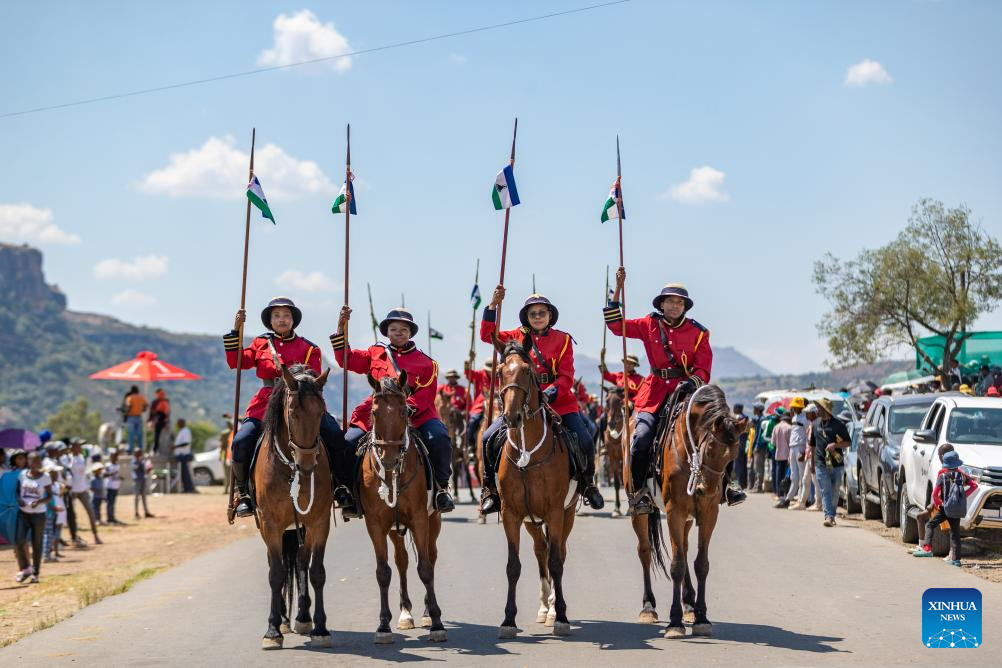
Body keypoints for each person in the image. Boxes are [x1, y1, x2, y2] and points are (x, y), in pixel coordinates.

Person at [603, 269, 725, 514]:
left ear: (685, 306)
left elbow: (703, 367)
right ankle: (639, 493)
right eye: (670, 301)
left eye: (679, 302)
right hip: (655, 392)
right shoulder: (649, 324)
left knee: (720, 429)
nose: (675, 306)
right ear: (661, 304)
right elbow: (616, 326)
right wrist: (618, 289)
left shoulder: (699, 332)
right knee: (640, 438)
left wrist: (692, 382)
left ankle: (728, 486)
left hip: (687, 392)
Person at [225, 297, 355, 518]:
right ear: (270, 321)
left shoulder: (309, 348)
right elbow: (236, 362)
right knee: (241, 441)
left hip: (301, 402)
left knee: (335, 435)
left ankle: (341, 486)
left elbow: (313, 381)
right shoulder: (260, 344)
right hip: (267, 402)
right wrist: (236, 330)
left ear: (293, 320)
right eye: (276, 316)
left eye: (286, 316)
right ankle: (244, 493)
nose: (281, 320)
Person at [478, 288, 604, 512]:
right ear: (526, 317)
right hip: (521, 401)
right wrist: (492, 306)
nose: (537, 317)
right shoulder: (515, 336)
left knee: (584, 438)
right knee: (488, 437)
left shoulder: (563, 340)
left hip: (558, 402)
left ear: (550, 315)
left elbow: (566, 376)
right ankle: (490, 490)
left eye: (541, 313)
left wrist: (549, 394)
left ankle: (588, 484)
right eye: (532, 313)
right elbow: (487, 335)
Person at [331, 306, 455, 513]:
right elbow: (347, 360)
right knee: (347, 442)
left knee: (440, 439)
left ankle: (442, 489)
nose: (398, 332)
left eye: (404, 329)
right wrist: (341, 329)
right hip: (378, 412)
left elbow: (425, 395)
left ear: (410, 333)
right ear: (387, 332)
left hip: (416, 414)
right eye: (394, 329)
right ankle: (348, 490)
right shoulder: (375, 353)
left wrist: (403, 409)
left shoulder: (427, 363)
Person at [913, 450, 977, 566]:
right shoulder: (962, 476)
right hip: (956, 509)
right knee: (955, 534)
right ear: (957, 464)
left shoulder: (942, 476)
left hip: (944, 508)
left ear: (946, 464)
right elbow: (974, 485)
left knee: (930, 525)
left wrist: (940, 503)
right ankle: (956, 560)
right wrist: (963, 496)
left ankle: (927, 549)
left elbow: (934, 494)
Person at [811, 398, 852, 527]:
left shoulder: (838, 424)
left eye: (819, 408)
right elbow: (812, 445)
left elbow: (848, 442)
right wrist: (812, 463)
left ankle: (831, 515)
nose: (816, 410)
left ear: (825, 410)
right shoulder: (815, 424)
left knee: (835, 491)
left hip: (837, 465)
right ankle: (828, 516)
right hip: (820, 464)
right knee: (826, 490)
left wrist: (836, 445)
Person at [14, 452, 52, 584]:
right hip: (23, 513)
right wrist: (19, 500)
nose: (37, 463)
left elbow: (49, 496)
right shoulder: (22, 474)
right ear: (28, 462)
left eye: (38, 460)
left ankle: (36, 574)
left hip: (39, 515)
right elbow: (17, 492)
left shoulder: (45, 477)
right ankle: (26, 569)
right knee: (18, 541)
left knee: (37, 544)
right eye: (34, 461)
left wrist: (39, 502)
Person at [61, 439, 101, 546]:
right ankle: (68, 537)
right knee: (69, 514)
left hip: (83, 490)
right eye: (77, 446)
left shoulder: (82, 457)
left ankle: (96, 535)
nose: (80, 448)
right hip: (72, 491)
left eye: (80, 446)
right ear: (72, 447)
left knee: (91, 512)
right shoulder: (67, 458)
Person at [597, 353, 644, 436]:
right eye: (626, 363)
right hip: (616, 405)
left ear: (634, 365)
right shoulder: (619, 376)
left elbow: (641, 395)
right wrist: (602, 360)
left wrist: (631, 402)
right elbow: (606, 375)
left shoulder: (640, 380)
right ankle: (602, 440)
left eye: (630, 364)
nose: (628, 365)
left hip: (631, 406)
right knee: (603, 418)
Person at [463, 358, 497, 457]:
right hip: (481, 405)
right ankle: (471, 445)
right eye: (489, 370)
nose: (491, 372)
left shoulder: (500, 375)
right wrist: (468, 362)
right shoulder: (480, 374)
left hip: (497, 405)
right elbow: (468, 373)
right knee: (473, 421)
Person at [784, 397, 809, 508]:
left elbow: (808, 435)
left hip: (800, 447)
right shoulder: (794, 417)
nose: (793, 408)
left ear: (800, 407)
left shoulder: (805, 418)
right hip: (792, 447)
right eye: (793, 407)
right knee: (794, 476)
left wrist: (805, 451)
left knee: (803, 475)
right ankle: (790, 498)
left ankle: (802, 500)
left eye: (795, 407)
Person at [42, 464, 66, 562]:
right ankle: (46, 556)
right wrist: (54, 508)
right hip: (48, 512)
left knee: (49, 534)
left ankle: (48, 554)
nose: (57, 475)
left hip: (52, 513)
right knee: (47, 534)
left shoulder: (55, 485)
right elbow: (46, 500)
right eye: (54, 473)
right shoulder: (46, 486)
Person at [771, 410, 792, 506]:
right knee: (787, 476)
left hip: (778, 455)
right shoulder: (790, 428)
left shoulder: (776, 427)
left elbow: (773, 443)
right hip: (788, 455)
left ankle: (779, 494)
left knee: (778, 475)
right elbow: (791, 443)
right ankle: (786, 493)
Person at [173, 419, 196, 493]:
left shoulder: (186, 431)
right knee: (183, 473)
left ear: (182, 423)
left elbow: (186, 443)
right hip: (181, 455)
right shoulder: (182, 431)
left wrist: (175, 447)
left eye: (178, 423)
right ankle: (186, 488)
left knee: (186, 473)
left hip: (184, 455)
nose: (177, 425)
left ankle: (189, 488)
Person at [123, 386, 148, 453]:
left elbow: (128, 406)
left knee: (131, 434)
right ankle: (140, 449)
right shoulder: (141, 397)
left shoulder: (129, 398)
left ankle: (130, 449)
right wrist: (142, 409)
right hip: (139, 417)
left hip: (131, 417)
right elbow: (146, 405)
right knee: (139, 435)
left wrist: (126, 415)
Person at [731, 403, 750, 489]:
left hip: (739, 444)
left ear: (738, 409)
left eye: (735, 408)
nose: (733, 410)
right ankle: (743, 483)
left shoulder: (738, 418)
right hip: (745, 444)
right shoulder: (746, 418)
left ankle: (739, 483)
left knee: (738, 466)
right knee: (743, 465)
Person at [132, 449, 153, 519]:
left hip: (143, 479)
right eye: (138, 453)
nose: (139, 454)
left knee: (144, 496)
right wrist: (140, 461)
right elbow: (136, 468)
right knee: (136, 497)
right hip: (137, 480)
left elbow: (145, 470)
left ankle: (146, 512)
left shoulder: (142, 461)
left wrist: (148, 468)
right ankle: (136, 512)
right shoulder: (134, 461)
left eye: (140, 453)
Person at [149, 388, 171, 454]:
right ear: (157, 394)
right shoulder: (154, 402)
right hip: (158, 421)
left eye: (163, 394)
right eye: (160, 394)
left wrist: (166, 421)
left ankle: (164, 451)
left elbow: (168, 412)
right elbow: (152, 412)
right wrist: (150, 421)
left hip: (164, 421)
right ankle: (155, 450)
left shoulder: (166, 401)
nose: (162, 395)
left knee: (164, 437)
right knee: (157, 436)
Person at [104, 450, 123, 524]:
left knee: (113, 503)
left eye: (116, 456)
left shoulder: (118, 465)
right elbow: (104, 475)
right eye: (113, 456)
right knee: (110, 503)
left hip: (116, 486)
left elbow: (117, 475)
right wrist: (111, 474)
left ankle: (112, 517)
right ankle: (109, 518)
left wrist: (120, 478)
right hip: (109, 486)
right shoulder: (108, 465)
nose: (115, 458)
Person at [89, 459, 106, 525]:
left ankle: (99, 519)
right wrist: (96, 490)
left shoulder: (101, 478)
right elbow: (91, 488)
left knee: (98, 509)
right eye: (99, 470)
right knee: (95, 509)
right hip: (95, 497)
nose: (100, 471)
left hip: (100, 496)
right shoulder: (93, 479)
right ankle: (96, 520)